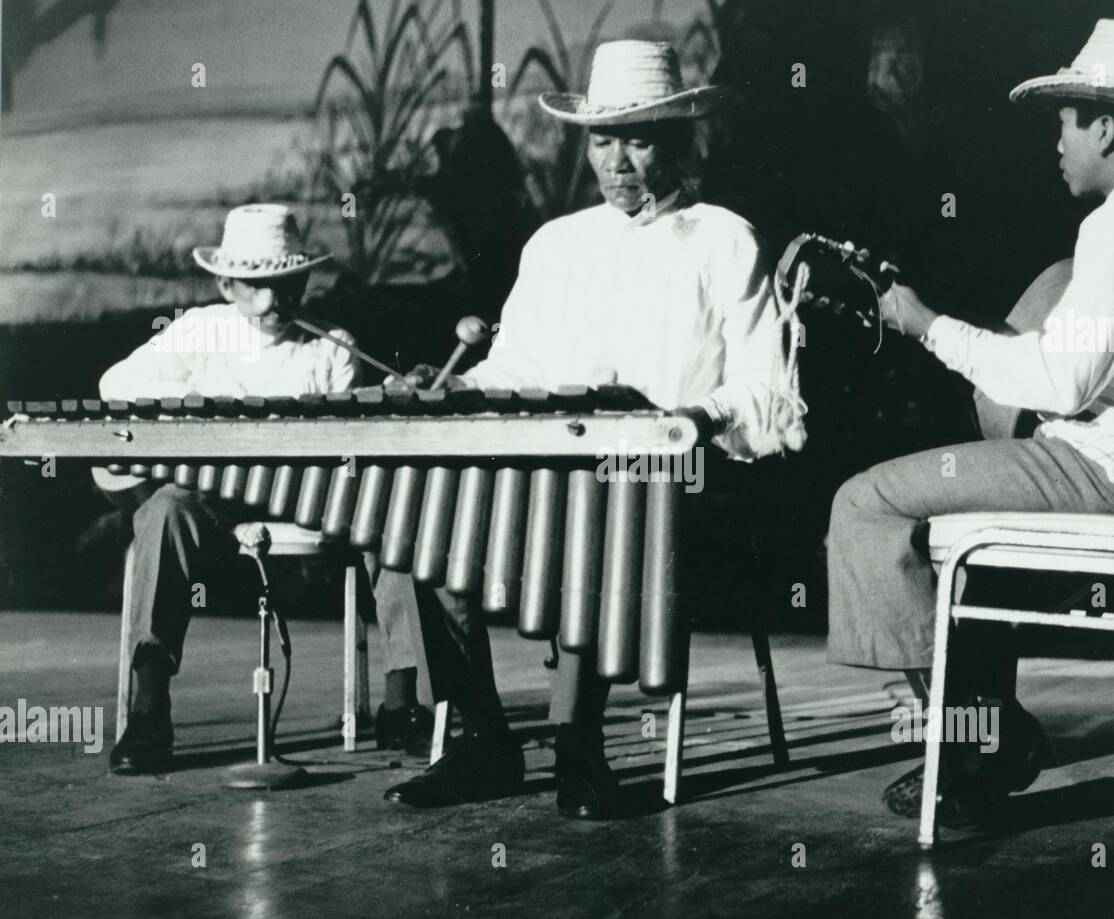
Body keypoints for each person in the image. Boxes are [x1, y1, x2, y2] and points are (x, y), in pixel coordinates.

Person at [826, 19, 1114, 824]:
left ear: (1106, 124)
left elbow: (1059, 380)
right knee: (965, 495)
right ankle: (988, 740)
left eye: (1064, 120)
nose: (1055, 140)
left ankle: (976, 743)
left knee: (865, 502)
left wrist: (928, 327)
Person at [383, 40, 806, 817]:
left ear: (678, 142)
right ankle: (482, 739)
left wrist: (694, 419)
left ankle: (579, 745)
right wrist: (447, 390)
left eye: (638, 140)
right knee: (419, 522)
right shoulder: (556, 245)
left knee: (605, 506)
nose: (617, 162)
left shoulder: (726, 238)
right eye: (604, 141)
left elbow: (767, 390)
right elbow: (510, 370)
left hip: (678, 479)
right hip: (553, 473)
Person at [102, 204, 486, 773]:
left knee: (390, 516)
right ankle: (150, 708)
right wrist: (193, 417)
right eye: (256, 286)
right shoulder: (197, 330)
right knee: (162, 511)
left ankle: (403, 701)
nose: (273, 300)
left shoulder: (332, 347)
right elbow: (116, 387)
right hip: (215, 495)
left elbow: (351, 451)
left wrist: (389, 402)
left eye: (286, 284)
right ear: (226, 284)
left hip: (310, 498)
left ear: (303, 279)